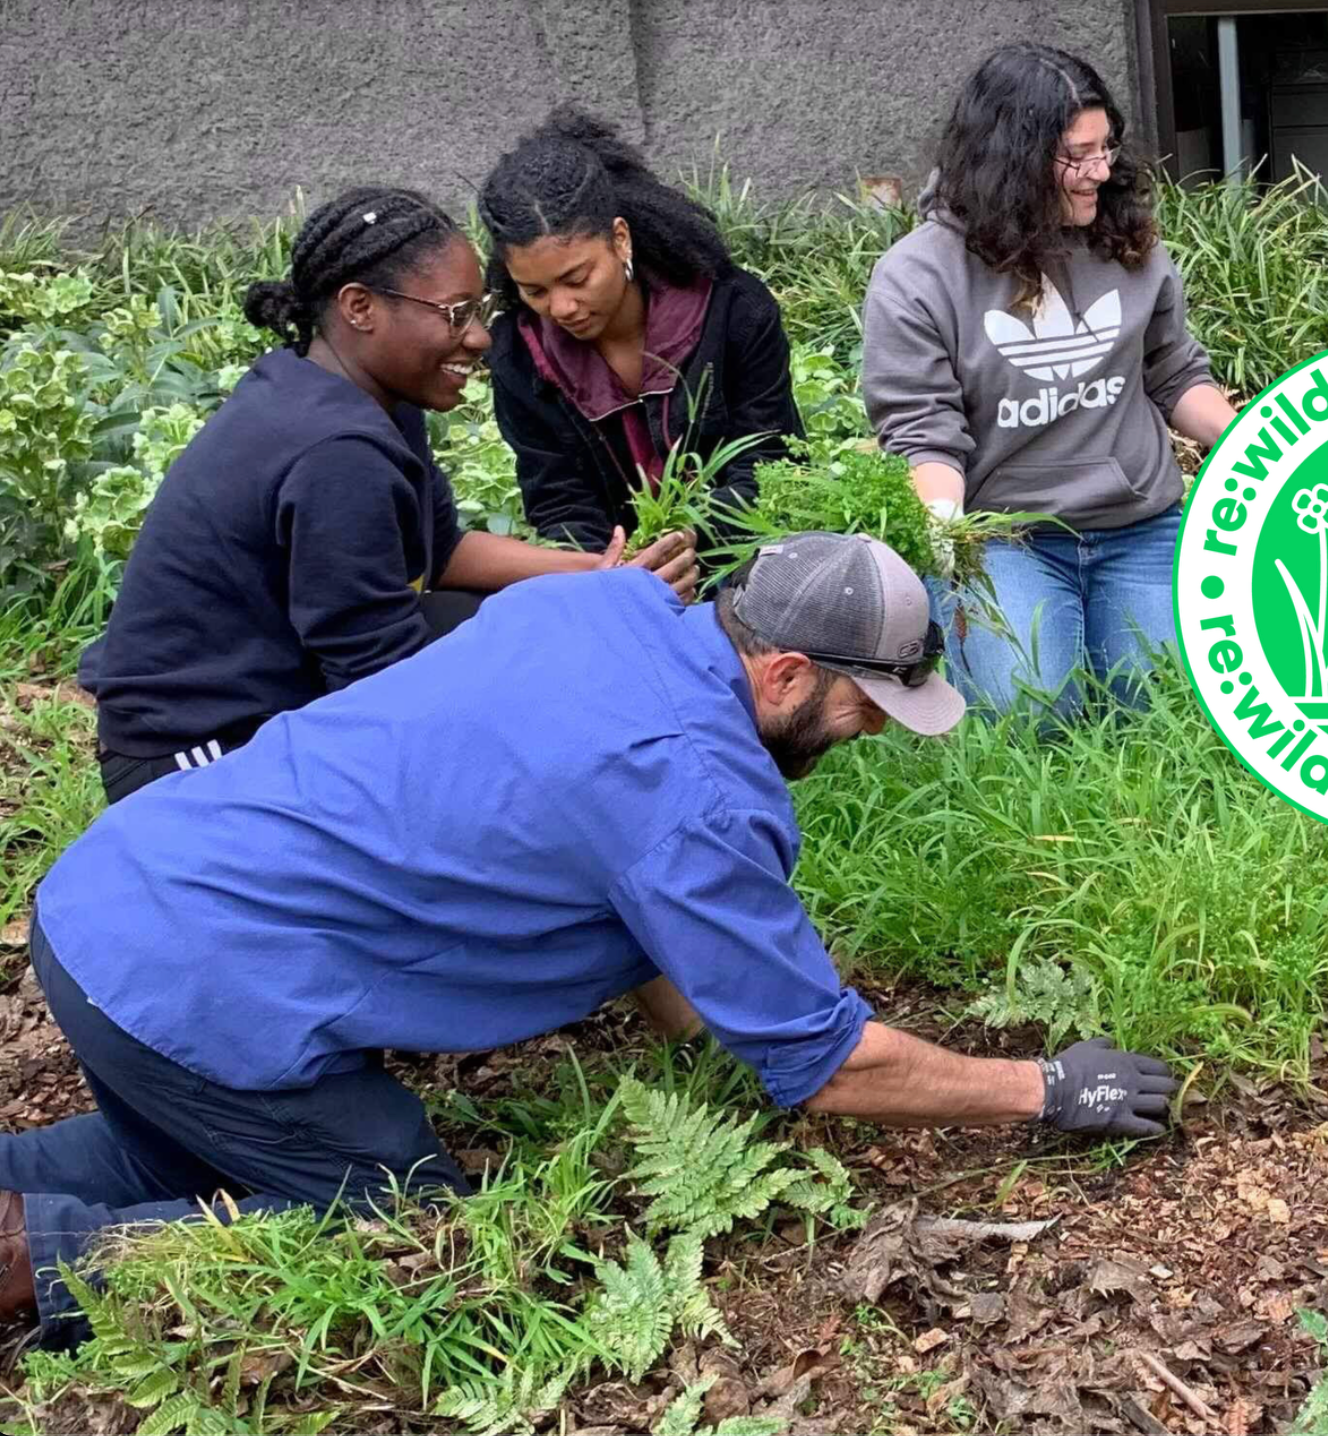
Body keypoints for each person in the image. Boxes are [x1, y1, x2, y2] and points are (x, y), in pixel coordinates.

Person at [0, 536, 1179, 1341]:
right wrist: (1042, 1087)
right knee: (397, 1226)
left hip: (118, 896)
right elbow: (828, 1063)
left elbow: (624, 896)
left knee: (187, 1166)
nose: (871, 729)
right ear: (782, 670)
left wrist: (705, 1041)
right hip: (209, 982)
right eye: (864, 703)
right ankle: (25, 1258)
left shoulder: (604, 605)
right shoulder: (691, 795)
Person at [76, 186, 696, 806]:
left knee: (496, 630)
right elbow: (383, 688)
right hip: (195, 759)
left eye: (478, 310)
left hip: (282, 690)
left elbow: (442, 552)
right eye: (455, 314)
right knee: (521, 723)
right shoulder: (337, 453)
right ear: (359, 307)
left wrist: (596, 577)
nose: (480, 338)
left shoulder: (351, 392)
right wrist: (583, 629)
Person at [861, 43, 1239, 720]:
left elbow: (1174, 371)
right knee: (1028, 711)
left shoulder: (1127, 243)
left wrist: (1259, 445)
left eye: (1107, 148)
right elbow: (923, 435)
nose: (1099, 171)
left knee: (1171, 709)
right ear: (1011, 159)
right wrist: (946, 541)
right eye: (1075, 155)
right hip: (1007, 537)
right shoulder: (918, 276)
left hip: (1139, 526)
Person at [481, 106, 807, 552]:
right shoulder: (518, 356)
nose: (561, 307)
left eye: (577, 279)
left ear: (620, 239)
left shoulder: (734, 311)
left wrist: (689, 540)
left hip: (746, 551)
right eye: (533, 291)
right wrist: (611, 572)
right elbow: (560, 502)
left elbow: (769, 463)